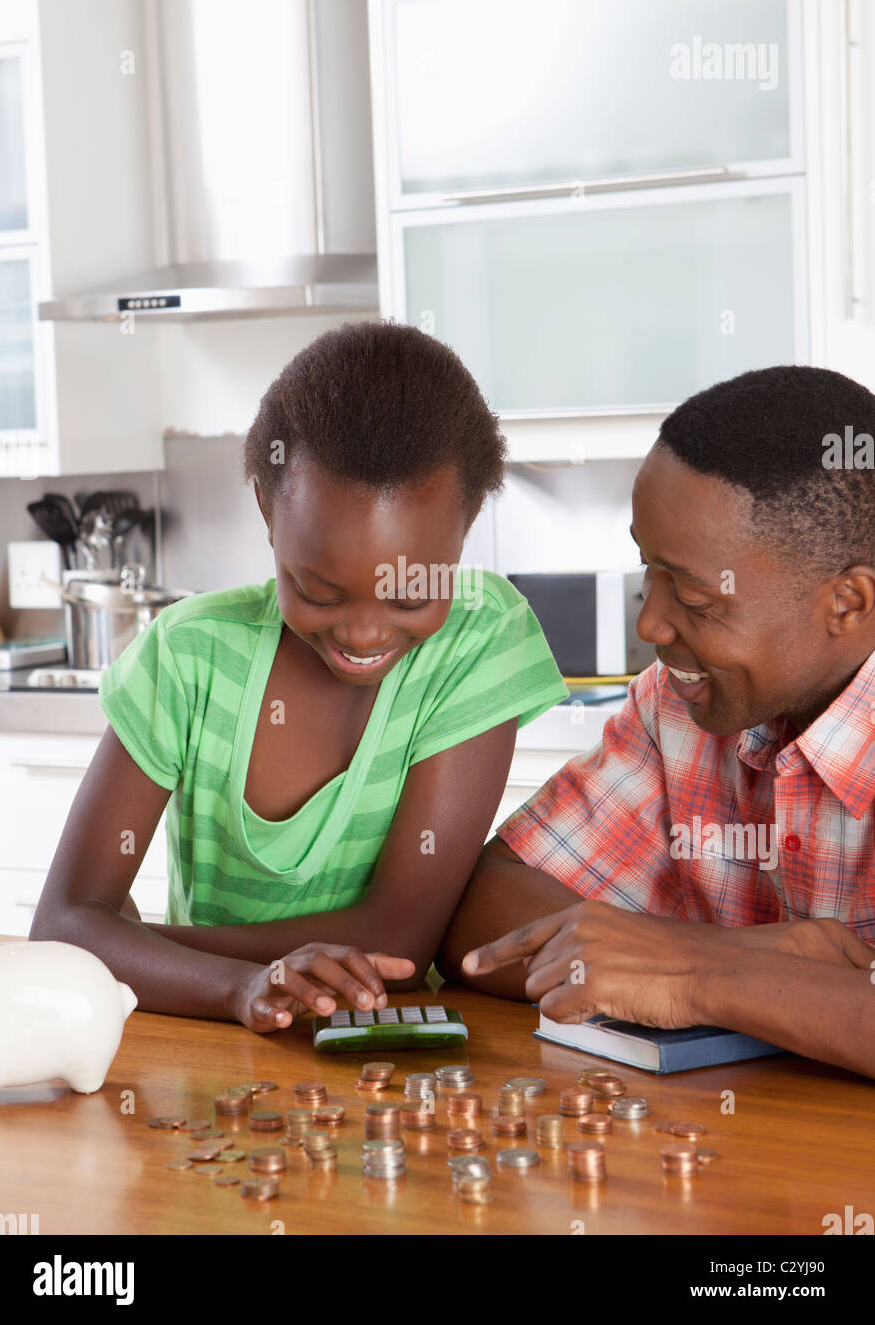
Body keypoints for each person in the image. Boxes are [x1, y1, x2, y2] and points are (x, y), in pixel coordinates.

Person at [31, 321, 566, 1031]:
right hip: (208, 1056)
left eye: (410, 596)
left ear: (465, 529)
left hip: (395, 1060)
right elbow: (64, 926)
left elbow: (398, 942)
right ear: (265, 510)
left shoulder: (480, 641)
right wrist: (238, 987)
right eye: (318, 591)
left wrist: (135, 949)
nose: (364, 634)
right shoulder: (189, 655)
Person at [438, 365, 875, 1079]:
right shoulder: (678, 705)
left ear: (848, 603)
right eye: (650, 570)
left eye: (699, 602)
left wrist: (691, 974)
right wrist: (766, 968)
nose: (651, 624)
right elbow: (482, 917)